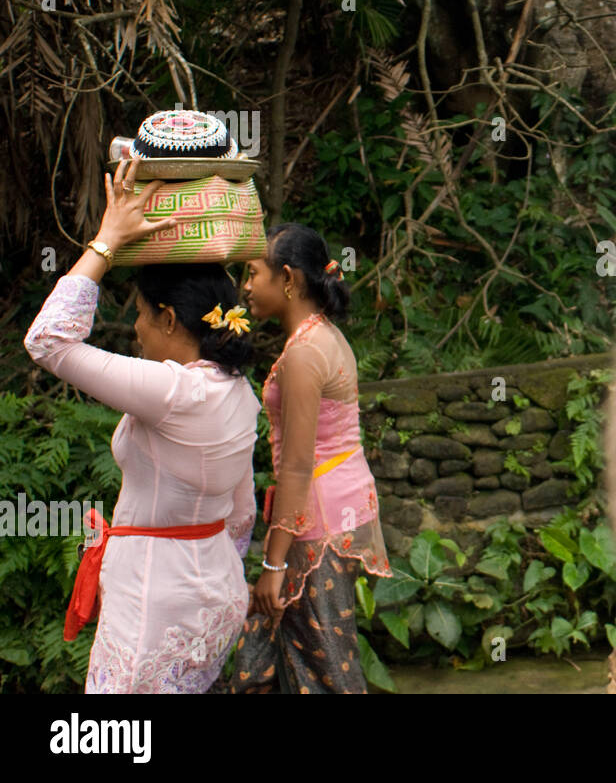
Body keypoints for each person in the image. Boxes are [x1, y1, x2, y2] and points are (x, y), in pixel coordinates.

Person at [23, 158, 259, 693]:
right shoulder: (240, 391)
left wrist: (105, 243)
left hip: (156, 601)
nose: (133, 327)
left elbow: (47, 342)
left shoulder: (171, 391)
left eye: (139, 313)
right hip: (217, 593)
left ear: (169, 320)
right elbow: (241, 514)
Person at [221, 222, 390, 693]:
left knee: (326, 666)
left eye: (254, 274)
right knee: (265, 659)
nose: (247, 287)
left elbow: (297, 466)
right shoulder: (321, 337)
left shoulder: (305, 353)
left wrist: (273, 568)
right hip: (329, 510)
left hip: (316, 522)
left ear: (289, 279)